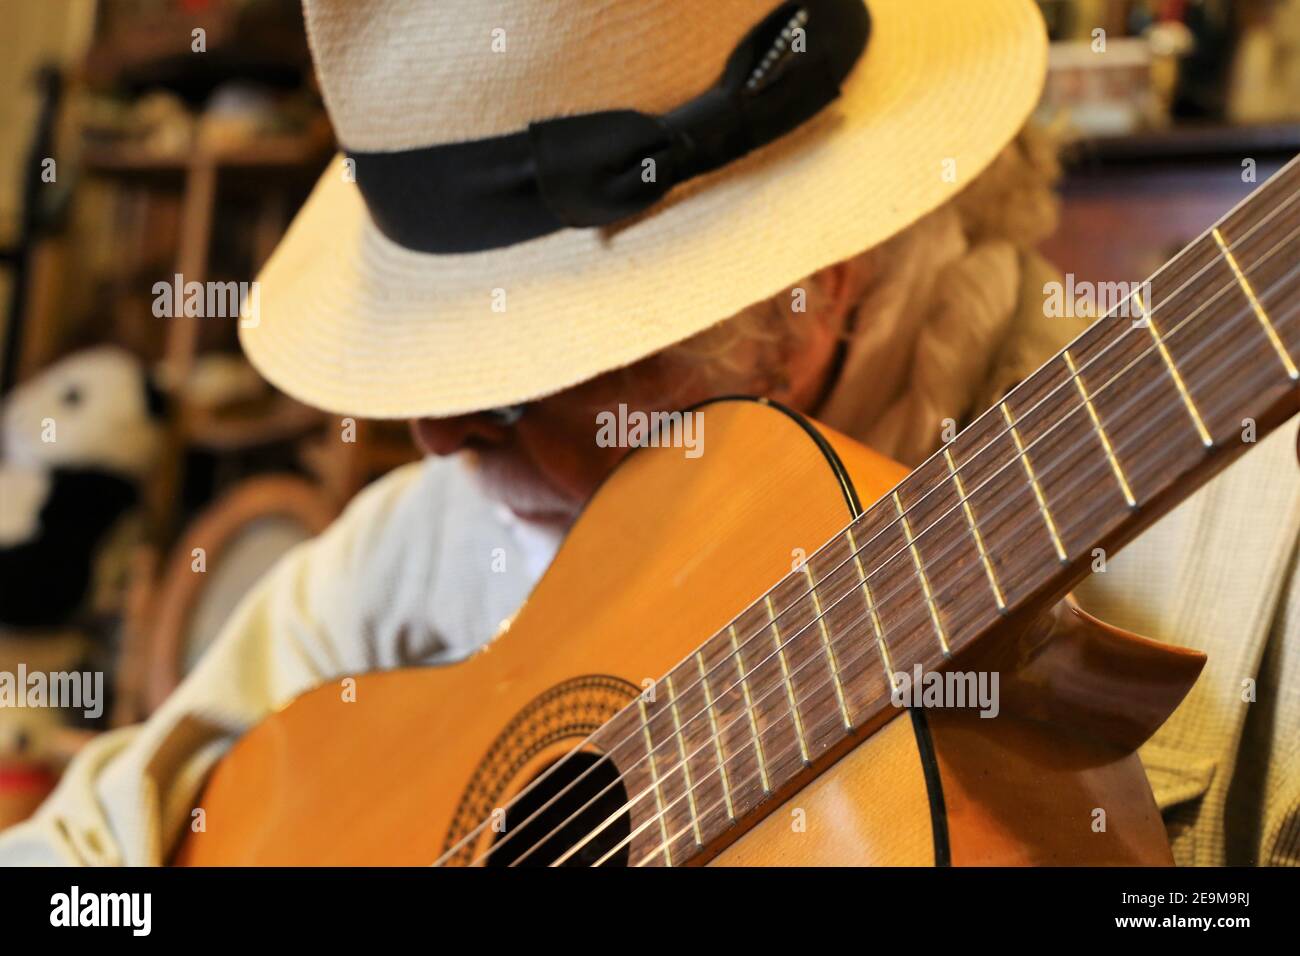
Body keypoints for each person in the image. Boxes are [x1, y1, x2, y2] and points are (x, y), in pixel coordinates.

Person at [1, 0, 1296, 866]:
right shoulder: (416, 552)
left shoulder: (1251, 541)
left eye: (515, 383)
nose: (434, 442)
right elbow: (80, 852)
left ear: (808, 279)